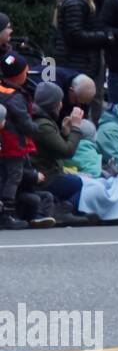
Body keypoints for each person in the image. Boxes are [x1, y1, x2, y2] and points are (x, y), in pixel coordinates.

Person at [28, 81, 94, 225]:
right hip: (46, 176)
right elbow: (66, 152)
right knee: (80, 183)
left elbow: (54, 148)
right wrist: (76, 128)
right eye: (59, 101)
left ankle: (57, 205)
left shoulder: (39, 119)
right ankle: (61, 211)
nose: (61, 105)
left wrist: (65, 132)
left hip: (44, 171)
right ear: (53, 103)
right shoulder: (43, 125)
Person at [51, 0, 114, 85]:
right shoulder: (76, 1)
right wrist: (104, 37)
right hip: (77, 64)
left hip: (77, 63)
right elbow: (75, 35)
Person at [0, 53, 40, 229]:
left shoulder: (2, 89)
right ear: (19, 75)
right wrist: (36, 128)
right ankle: (7, 212)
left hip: (3, 142)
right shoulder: (15, 97)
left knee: (4, 176)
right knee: (13, 177)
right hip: (12, 144)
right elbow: (24, 122)